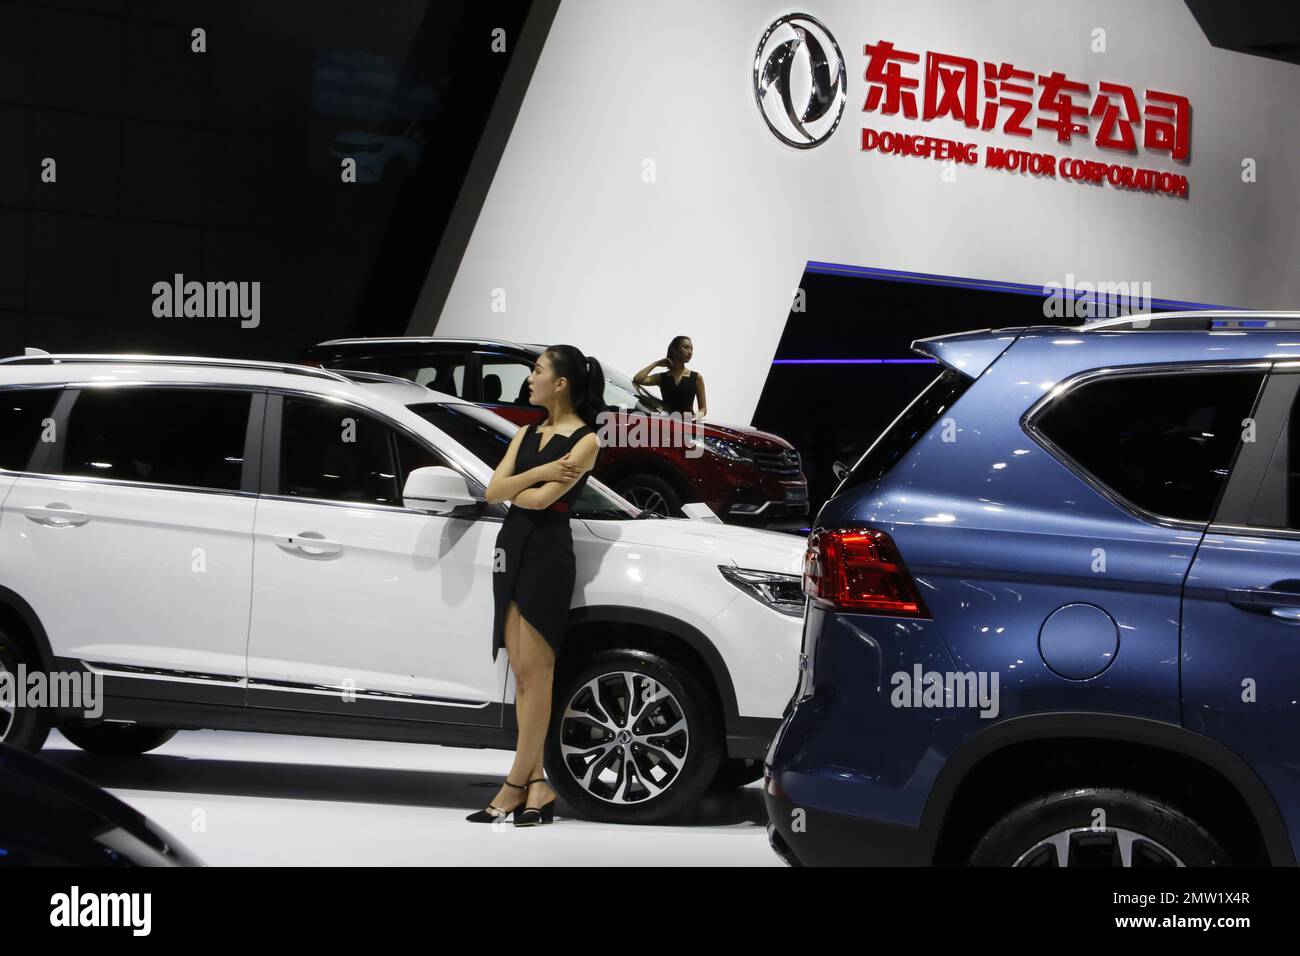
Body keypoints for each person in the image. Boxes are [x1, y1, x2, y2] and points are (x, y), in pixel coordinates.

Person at [465, 344, 604, 827]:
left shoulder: (586, 440)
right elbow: (491, 491)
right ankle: (538, 786)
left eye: (538, 371)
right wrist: (542, 470)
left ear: (560, 383)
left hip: (547, 556)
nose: (530, 378)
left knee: (536, 675)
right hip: (512, 548)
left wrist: (526, 484)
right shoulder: (526, 432)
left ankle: (513, 784)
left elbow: (541, 503)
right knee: (521, 675)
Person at [633, 335, 708, 420]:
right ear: (674, 350)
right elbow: (637, 379)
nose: (690, 352)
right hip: (667, 425)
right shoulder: (662, 378)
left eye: (691, 349)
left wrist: (693, 419)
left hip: (688, 426)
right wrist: (656, 363)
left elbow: (703, 409)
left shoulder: (696, 377)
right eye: (686, 347)